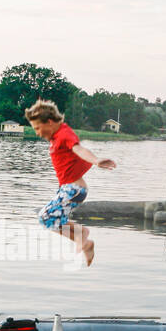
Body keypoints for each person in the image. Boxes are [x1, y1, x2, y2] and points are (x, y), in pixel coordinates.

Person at [26, 99, 116, 266]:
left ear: (50, 122)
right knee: (48, 220)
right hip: (66, 189)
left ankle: (82, 237)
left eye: (38, 128)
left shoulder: (64, 134)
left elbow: (79, 149)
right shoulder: (55, 137)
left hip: (74, 189)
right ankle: (82, 236)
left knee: (46, 216)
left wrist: (96, 160)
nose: (37, 133)